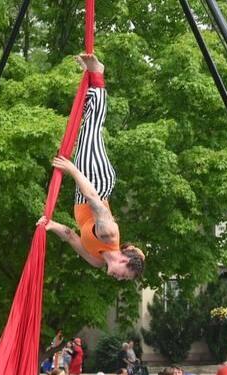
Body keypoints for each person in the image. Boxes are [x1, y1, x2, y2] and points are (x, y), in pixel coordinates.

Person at [40, 56, 146, 281]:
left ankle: (92, 78)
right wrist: (72, 170)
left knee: (88, 129)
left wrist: (50, 225)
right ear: (125, 261)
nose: (119, 279)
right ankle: (97, 74)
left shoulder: (97, 261)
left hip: (84, 186)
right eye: (124, 276)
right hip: (96, 181)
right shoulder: (109, 234)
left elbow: (70, 236)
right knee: (91, 129)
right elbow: (95, 199)